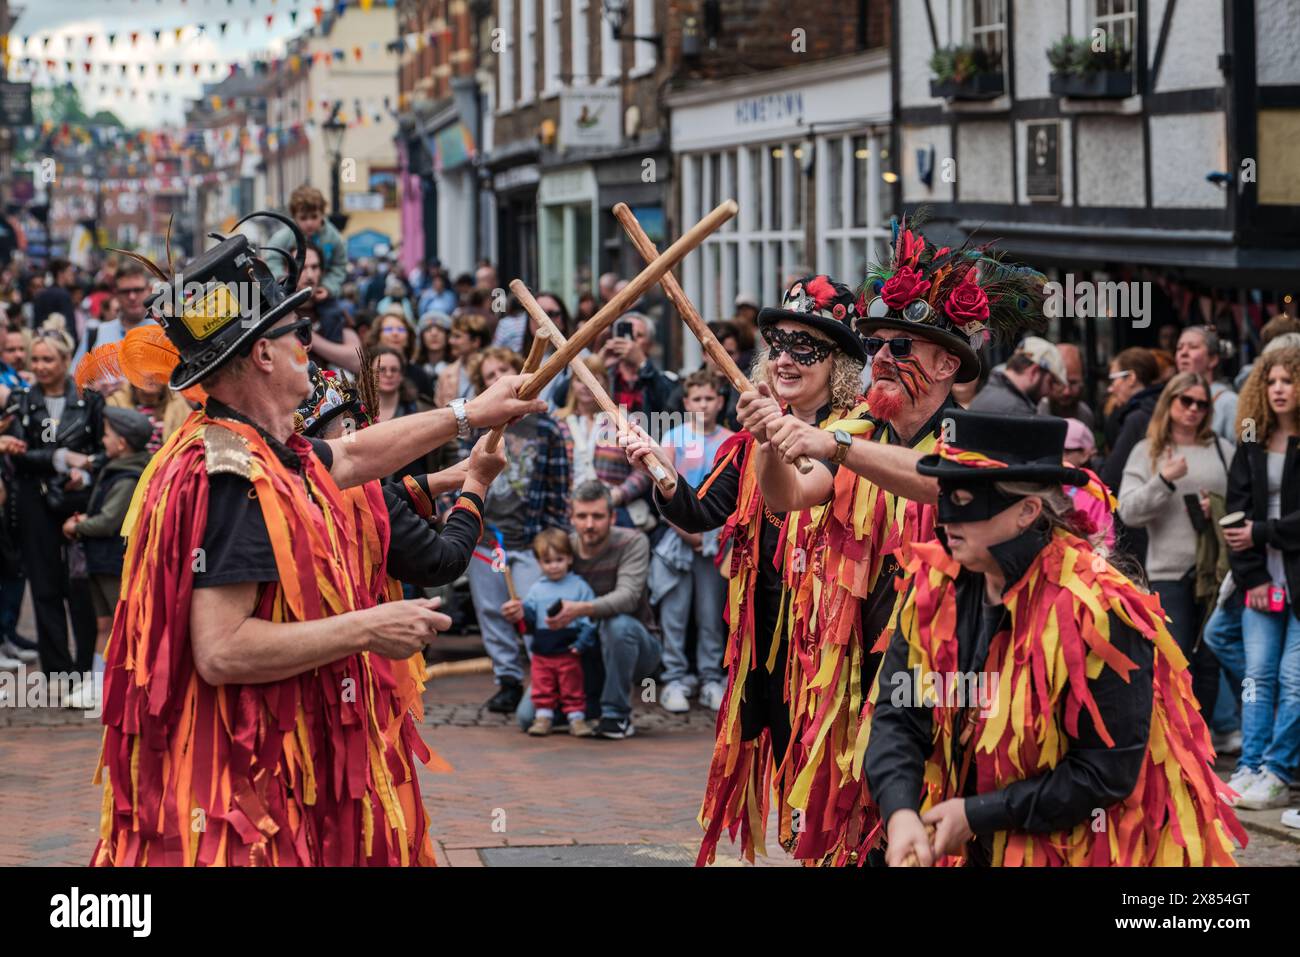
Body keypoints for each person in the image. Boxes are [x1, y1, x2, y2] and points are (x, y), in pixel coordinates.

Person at [91, 211, 545, 866]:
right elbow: (221, 648)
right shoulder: (233, 477)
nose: (310, 341)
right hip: (243, 798)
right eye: (294, 331)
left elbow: (355, 455)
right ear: (263, 354)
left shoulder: (262, 447)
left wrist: (471, 412)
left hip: (271, 771)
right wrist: (367, 626)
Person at [739, 237, 1054, 865]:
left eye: (899, 347)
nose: (879, 358)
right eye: (876, 345)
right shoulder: (856, 431)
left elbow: (939, 478)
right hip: (864, 667)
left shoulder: (968, 436)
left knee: (955, 827)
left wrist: (831, 446)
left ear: (944, 366)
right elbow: (792, 497)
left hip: (958, 668)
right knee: (872, 825)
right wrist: (769, 441)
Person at [866, 410, 1243, 866]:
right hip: (972, 843)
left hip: (1080, 847)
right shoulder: (933, 584)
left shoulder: (1098, 608)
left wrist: (979, 813)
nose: (944, 520)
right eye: (943, 497)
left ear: (1027, 511)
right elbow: (900, 713)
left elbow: (1105, 771)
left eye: (965, 500)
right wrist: (901, 810)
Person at [624, 274, 875, 862]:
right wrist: (658, 464)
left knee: (839, 767)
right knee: (788, 751)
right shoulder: (745, 443)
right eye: (778, 346)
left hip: (838, 645)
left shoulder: (859, 438)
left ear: (836, 361)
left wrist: (777, 439)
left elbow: (798, 492)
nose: (785, 360)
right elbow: (700, 509)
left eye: (804, 348)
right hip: (767, 636)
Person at [1118, 372, 1232, 721]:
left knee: (1210, 660)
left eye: (1202, 404)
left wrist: (1216, 508)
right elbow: (1128, 510)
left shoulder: (1222, 449)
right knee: (1174, 659)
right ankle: (1176, 743)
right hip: (1168, 571)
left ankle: (1205, 742)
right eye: (1186, 401)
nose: (1194, 409)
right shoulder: (1148, 451)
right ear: (1170, 402)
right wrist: (1164, 480)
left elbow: (1243, 504)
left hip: (1215, 572)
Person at [508, 482, 659, 740]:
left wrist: (580, 609)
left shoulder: (633, 542)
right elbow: (543, 603)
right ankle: (585, 708)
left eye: (598, 516)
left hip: (635, 646)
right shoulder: (563, 549)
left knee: (617, 625)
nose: (589, 524)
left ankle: (615, 715)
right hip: (578, 653)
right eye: (582, 516)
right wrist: (521, 613)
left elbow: (629, 597)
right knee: (526, 718)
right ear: (572, 518)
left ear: (612, 517)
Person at [468, 348, 572, 715]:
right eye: (488, 374)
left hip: (530, 540)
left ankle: (549, 680)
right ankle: (508, 681)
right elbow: (459, 474)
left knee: (535, 608)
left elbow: (559, 490)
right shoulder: (477, 427)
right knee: (494, 610)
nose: (496, 378)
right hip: (487, 537)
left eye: (503, 370)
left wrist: (554, 539)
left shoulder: (546, 428)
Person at [1222, 346, 1300, 811]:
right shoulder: (1250, 439)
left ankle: (1278, 771)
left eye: (1287, 381)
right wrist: (1250, 576)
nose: (1277, 389)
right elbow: (1235, 513)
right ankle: (1250, 767)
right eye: (1271, 382)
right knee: (1257, 676)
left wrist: (1262, 532)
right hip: (1259, 574)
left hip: (1296, 573)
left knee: (1293, 679)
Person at [5, 323, 104, 681]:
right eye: (37, 359)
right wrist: (58, 458)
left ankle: (85, 668)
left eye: (49, 359)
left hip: (78, 501)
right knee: (45, 585)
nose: (42, 366)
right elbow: (18, 454)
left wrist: (87, 471)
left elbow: (103, 450)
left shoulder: (90, 401)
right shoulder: (24, 402)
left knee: (80, 585)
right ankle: (58, 672)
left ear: (65, 359)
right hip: (35, 500)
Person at [60, 406, 154, 709]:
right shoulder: (114, 468)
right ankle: (96, 682)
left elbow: (109, 521)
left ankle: (121, 685)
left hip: (114, 560)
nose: (102, 440)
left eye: (107, 434)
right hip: (100, 560)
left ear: (123, 443)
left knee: (119, 623)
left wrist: (78, 526)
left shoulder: (127, 477)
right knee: (104, 624)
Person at [653, 368, 733, 713]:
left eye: (709, 398)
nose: (703, 404)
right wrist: (687, 534)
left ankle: (711, 677)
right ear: (686, 402)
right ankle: (674, 678)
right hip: (679, 538)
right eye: (696, 398)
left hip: (717, 539)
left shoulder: (731, 440)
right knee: (674, 611)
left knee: (711, 612)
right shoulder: (672, 439)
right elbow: (661, 488)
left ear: (720, 401)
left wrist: (710, 536)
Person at [513, 528, 598, 738]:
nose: (553, 566)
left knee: (572, 686)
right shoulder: (536, 589)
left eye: (559, 559)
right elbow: (529, 620)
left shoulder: (580, 587)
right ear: (540, 563)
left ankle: (577, 718)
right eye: (547, 561)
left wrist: (581, 644)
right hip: (542, 651)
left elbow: (590, 621)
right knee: (543, 685)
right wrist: (520, 611)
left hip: (569, 649)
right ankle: (543, 717)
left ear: (569, 558)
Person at [268, 185, 348, 297]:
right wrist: (282, 280)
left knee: (333, 312)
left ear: (322, 214)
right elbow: (273, 260)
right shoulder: (282, 238)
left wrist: (328, 287)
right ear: (294, 217)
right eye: (303, 218)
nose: (309, 223)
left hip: (321, 291)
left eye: (314, 217)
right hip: (290, 293)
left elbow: (339, 267)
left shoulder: (335, 239)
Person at [72, 262, 156, 367]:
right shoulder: (97, 333)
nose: (132, 297)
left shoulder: (165, 332)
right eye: (125, 291)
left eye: (138, 290)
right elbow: (76, 377)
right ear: (116, 294)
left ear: (149, 290)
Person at [299, 243, 361, 374]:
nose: (310, 275)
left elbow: (357, 360)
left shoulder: (333, 309)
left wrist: (309, 337)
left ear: (322, 272)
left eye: (314, 267)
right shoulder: (277, 311)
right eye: (302, 267)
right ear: (287, 270)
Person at [967, 335, 1066, 416]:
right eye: (1051, 382)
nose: (1049, 392)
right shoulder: (1019, 412)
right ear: (1034, 372)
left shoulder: (985, 395)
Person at [1176, 325, 1238, 446]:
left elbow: (1245, 452)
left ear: (1213, 360)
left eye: (1193, 347)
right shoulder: (1171, 398)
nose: (1183, 353)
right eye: (1179, 348)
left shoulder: (1229, 402)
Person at [435, 310, 491, 409]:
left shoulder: (493, 370)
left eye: (457, 336)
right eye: (451, 336)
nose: (450, 341)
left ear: (475, 341)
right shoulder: (446, 373)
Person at [1038, 342, 1095, 428]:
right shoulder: (1034, 414)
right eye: (1059, 383)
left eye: (1073, 383)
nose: (1066, 392)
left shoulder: (1085, 416)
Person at [33, 258, 76, 330]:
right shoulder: (64, 295)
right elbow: (69, 324)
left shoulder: (41, 294)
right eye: (70, 272)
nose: (72, 275)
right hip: (59, 338)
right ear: (60, 273)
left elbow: (37, 323)